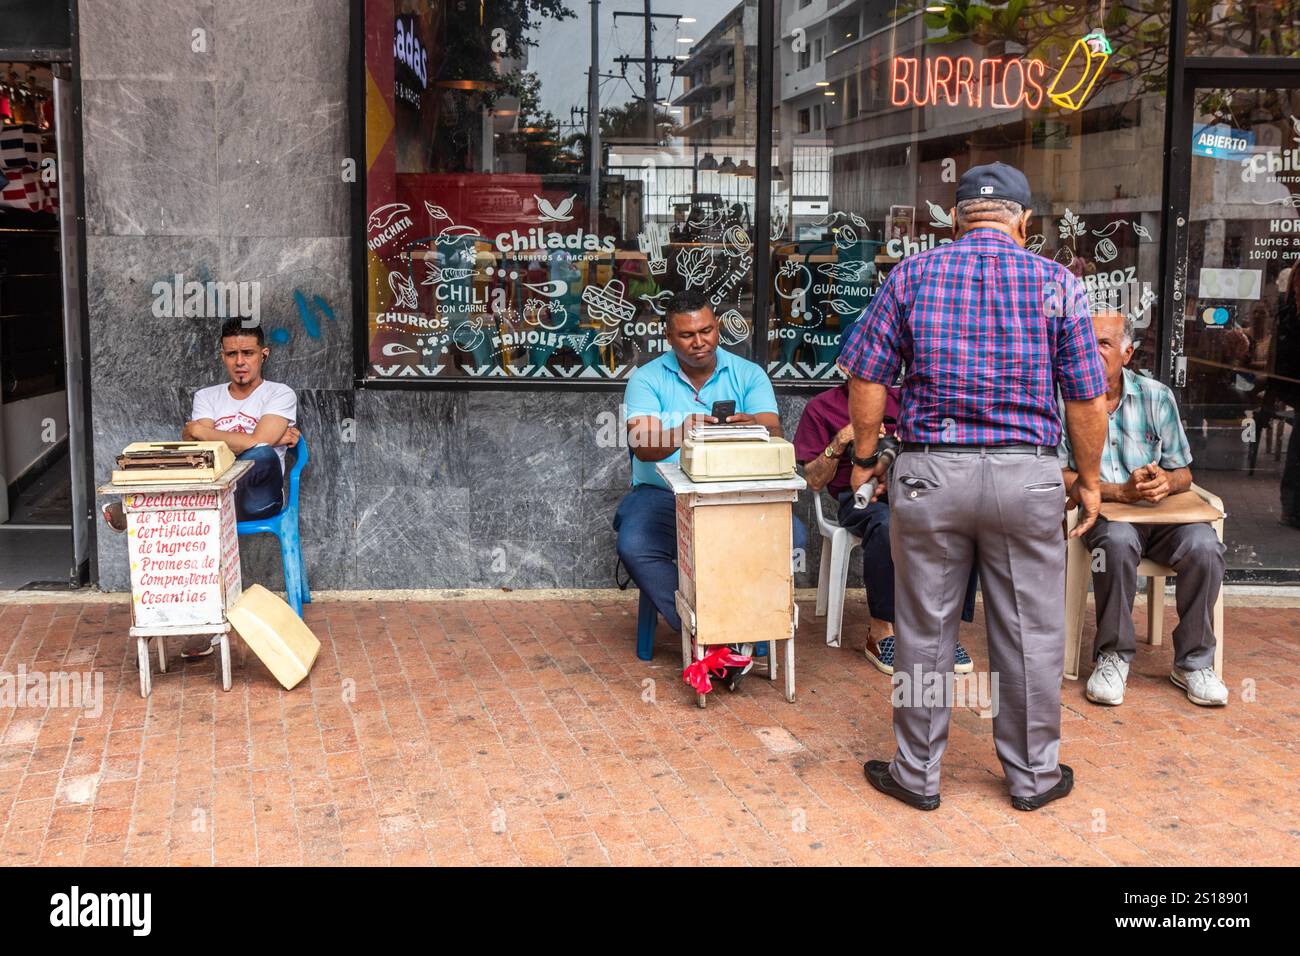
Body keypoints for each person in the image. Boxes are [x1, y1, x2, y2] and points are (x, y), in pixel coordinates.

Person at [840, 162, 1108, 812]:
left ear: (956, 217)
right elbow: (1086, 398)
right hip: (1026, 475)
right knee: (1031, 633)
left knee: (924, 631)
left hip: (934, 473)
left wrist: (866, 458)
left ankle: (917, 775)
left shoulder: (912, 275)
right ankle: (1033, 777)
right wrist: (1091, 480)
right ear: (1024, 221)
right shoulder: (1058, 283)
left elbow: (867, 379)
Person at [615, 289, 807, 673]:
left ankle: (743, 630)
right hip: (662, 496)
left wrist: (748, 424)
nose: (699, 341)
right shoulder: (648, 379)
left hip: (735, 496)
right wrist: (682, 431)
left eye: (706, 331)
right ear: (669, 338)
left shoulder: (747, 374)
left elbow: (774, 428)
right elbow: (642, 446)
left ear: (717, 327)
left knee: (792, 537)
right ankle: (707, 636)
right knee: (635, 544)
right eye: (687, 335)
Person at [1059, 310, 1228, 707]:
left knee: (1205, 546)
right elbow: (1061, 475)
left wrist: (1165, 482)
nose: (1092, 351)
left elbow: (1183, 471)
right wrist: (1120, 492)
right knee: (1115, 544)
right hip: (1107, 517)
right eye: (1086, 343)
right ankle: (1113, 656)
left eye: (1103, 343)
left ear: (1127, 352)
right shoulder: (1064, 398)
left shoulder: (1157, 395)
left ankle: (1193, 663)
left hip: (1162, 517)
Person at [102, 317, 299, 657]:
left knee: (263, 455)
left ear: (263, 355)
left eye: (248, 353)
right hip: (210, 497)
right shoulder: (207, 397)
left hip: (258, 498)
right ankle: (205, 624)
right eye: (232, 354)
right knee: (195, 482)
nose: (240, 362)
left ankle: (137, 511)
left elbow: (246, 442)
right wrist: (247, 439)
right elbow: (196, 449)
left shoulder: (279, 393)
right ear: (222, 356)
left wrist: (207, 433)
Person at [793, 379, 979, 674]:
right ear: (845, 365)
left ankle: (945, 630)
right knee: (886, 524)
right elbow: (814, 480)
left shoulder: (905, 400)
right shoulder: (822, 407)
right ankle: (881, 631)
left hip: (910, 489)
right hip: (857, 498)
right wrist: (840, 441)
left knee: (964, 521)